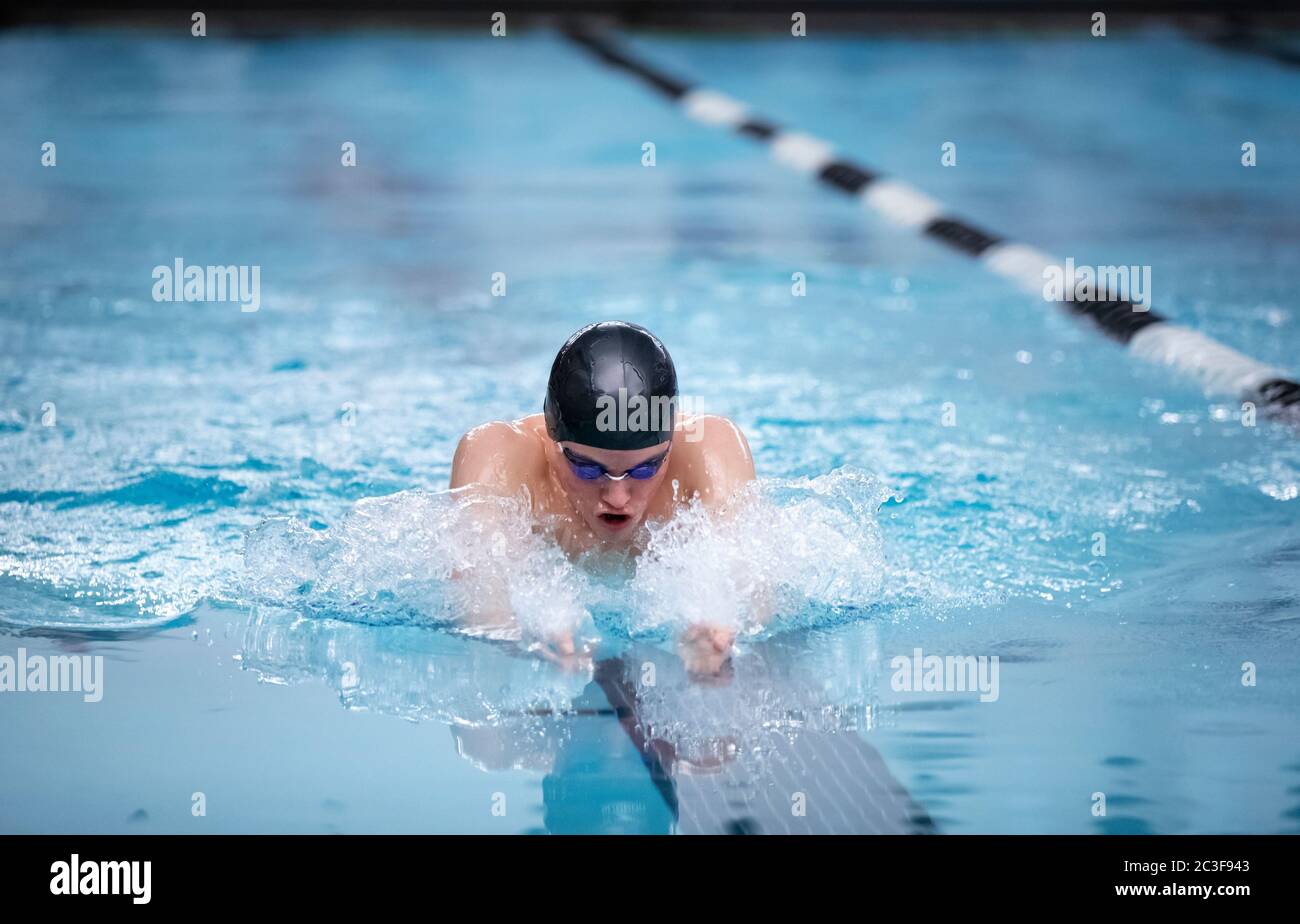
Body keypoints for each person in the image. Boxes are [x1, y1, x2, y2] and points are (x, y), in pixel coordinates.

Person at [450, 320, 756, 673]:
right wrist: (524, 632)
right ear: (553, 438)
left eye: (645, 469)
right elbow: (478, 591)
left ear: (670, 444)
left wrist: (717, 629)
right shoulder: (500, 455)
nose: (616, 496)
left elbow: (751, 581)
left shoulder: (710, 448)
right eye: (587, 468)